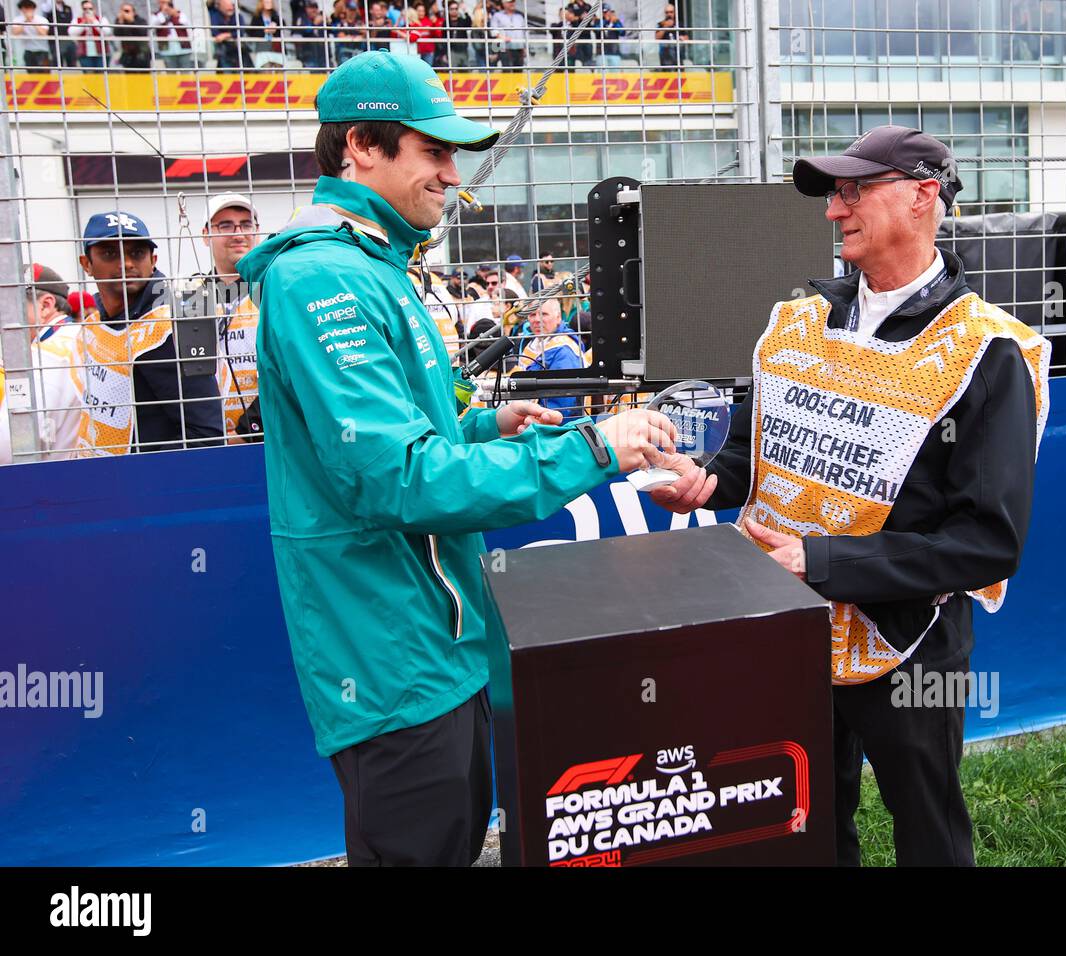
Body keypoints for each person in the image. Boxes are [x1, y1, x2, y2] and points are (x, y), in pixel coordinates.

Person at [235, 50, 677, 867]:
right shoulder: (322, 278)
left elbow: (413, 441)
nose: (452, 174)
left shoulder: (372, 265)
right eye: (433, 152)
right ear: (362, 147)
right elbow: (397, 480)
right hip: (390, 657)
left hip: (434, 642)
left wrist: (490, 424)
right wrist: (594, 445)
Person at [654, 126, 1051, 867]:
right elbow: (758, 448)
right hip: (787, 626)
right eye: (835, 194)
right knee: (802, 819)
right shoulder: (795, 320)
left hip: (909, 643)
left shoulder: (988, 352)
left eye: (854, 190)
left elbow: (986, 543)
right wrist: (712, 481)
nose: (834, 211)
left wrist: (821, 560)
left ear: (924, 194)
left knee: (927, 826)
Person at [75, 210, 224, 454]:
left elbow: (207, 434)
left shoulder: (168, 328)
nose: (127, 263)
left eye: (137, 253)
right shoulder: (94, 325)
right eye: (110, 253)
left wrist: (135, 473)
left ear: (153, 260)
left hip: (143, 483)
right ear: (86, 264)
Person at [178, 193, 263, 441]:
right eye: (225, 225)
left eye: (246, 224)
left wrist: (246, 431)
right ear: (205, 235)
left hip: (270, 439)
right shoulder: (191, 298)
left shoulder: (273, 289)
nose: (238, 234)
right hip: (209, 442)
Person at [20, 264, 82, 459]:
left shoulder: (45, 352)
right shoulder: (80, 336)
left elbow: (15, 442)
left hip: (49, 479)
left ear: (45, 306)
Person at [150, 0, 196, 71]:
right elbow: (154, 25)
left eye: (167, 3)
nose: (166, 6)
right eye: (163, 3)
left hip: (184, 49)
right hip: (167, 50)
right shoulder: (156, 15)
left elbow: (186, 24)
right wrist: (163, 13)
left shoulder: (180, 14)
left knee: (186, 73)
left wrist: (175, 15)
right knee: (171, 74)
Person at [69, 1, 112, 69]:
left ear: (94, 9)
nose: (87, 11)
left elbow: (107, 32)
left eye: (90, 9)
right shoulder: (77, 20)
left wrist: (94, 21)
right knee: (88, 76)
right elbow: (71, 32)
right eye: (85, 9)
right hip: (84, 54)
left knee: (101, 75)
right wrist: (84, 23)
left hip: (101, 53)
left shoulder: (101, 19)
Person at [9, 0, 52, 68]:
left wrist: (32, 21)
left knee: (44, 74)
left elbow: (44, 33)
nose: (27, 10)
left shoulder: (42, 19)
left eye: (29, 7)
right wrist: (25, 21)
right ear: (21, 9)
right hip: (28, 50)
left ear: (33, 8)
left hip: (42, 50)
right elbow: (15, 33)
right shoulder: (17, 20)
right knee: (30, 74)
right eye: (24, 8)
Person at [209, 0, 246, 69]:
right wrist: (231, 34)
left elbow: (241, 31)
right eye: (227, 6)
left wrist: (226, 35)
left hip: (238, 52)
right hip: (222, 53)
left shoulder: (238, 16)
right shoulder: (215, 16)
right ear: (220, 6)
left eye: (232, 5)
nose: (231, 8)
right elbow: (215, 32)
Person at [112, 1, 149, 68]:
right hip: (127, 55)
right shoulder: (120, 21)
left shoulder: (140, 20)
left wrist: (132, 21)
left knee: (145, 76)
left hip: (141, 54)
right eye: (123, 11)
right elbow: (116, 34)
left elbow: (142, 33)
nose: (125, 13)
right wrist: (120, 22)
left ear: (133, 12)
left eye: (127, 11)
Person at [488, 0, 524, 67]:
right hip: (504, 48)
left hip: (519, 48)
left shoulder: (519, 17)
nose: (512, 4)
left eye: (513, 2)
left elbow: (524, 32)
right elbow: (493, 31)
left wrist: (525, 47)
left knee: (519, 71)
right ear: (503, 3)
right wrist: (502, 37)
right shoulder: (497, 16)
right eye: (510, 2)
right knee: (507, 69)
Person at [293, 0, 327, 68]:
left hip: (323, 57)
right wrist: (314, 24)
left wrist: (328, 21)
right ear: (306, 9)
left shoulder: (322, 20)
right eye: (311, 8)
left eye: (315, 7)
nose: (314, 10)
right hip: (308, 56)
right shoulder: (302, 19)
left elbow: (333, 30)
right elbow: (301, 32)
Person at [444, 0, 472, 67]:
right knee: (453, 72)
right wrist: (444, 53)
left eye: (456, 9)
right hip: (452, 51)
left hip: (463, 50)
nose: (454, 10)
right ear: (448, 10)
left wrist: (465, 11)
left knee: (465, 71)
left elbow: (469, 23)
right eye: (452, 9)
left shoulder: (462, 20)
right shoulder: (445, 22)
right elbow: (443, 38)